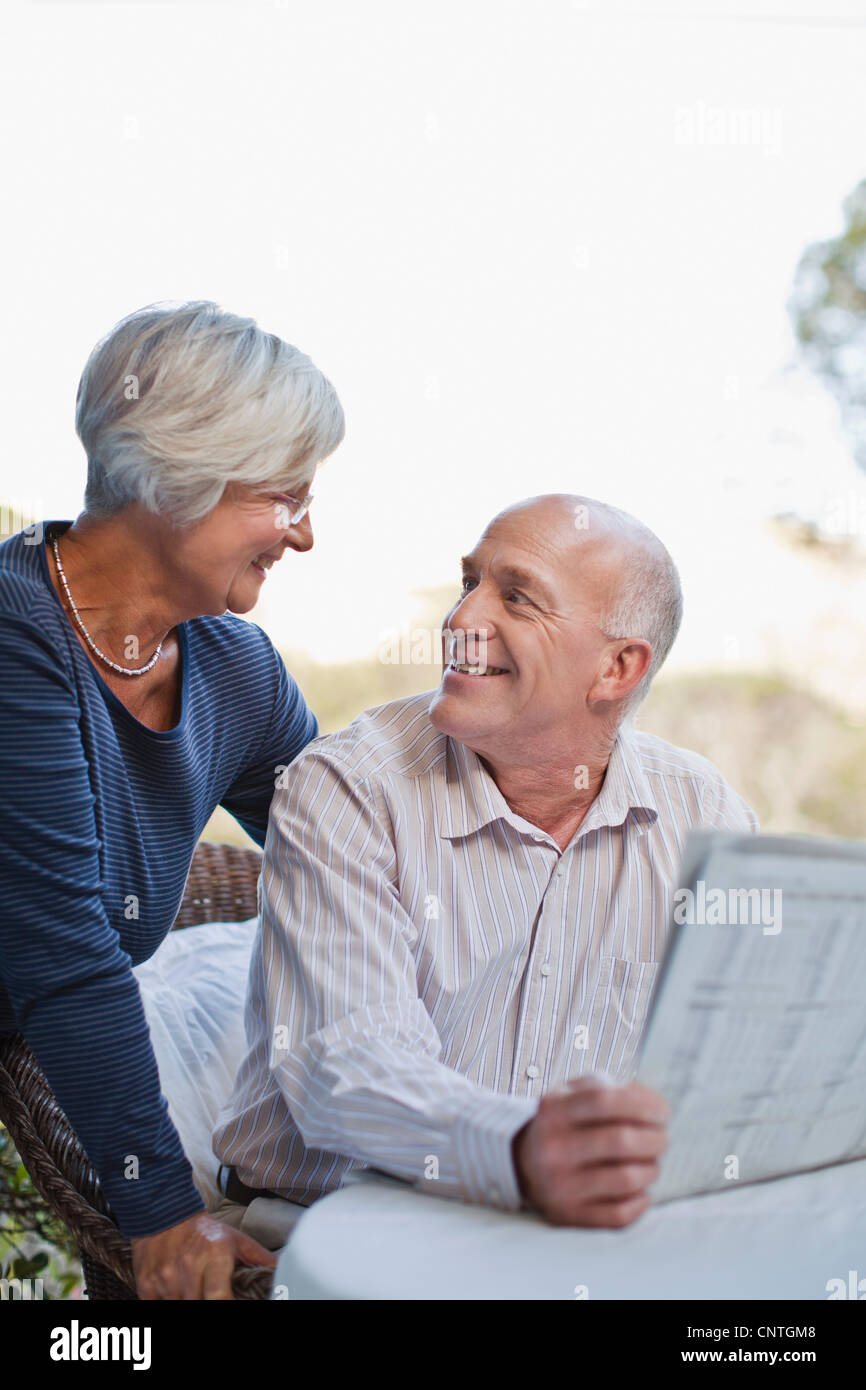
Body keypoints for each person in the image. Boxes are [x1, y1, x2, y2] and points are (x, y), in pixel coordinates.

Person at [213, 493, 758, 1235]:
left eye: (518, 597)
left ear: (617, 668)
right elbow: (351, 1073)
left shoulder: (706, 817)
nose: (462, 620)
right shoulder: (346, 787)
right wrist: (525, 1153)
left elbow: (743, 1064)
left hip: (562, 1236)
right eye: (468, 582)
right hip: (329, 1223)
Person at [0, 300, 344, 1298]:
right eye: (286, 493)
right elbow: (63, 954)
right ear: (178, 475)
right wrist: (158, 1212)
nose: (307, 533)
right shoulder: (17, 635)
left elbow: (351, 852)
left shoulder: (233, 668)